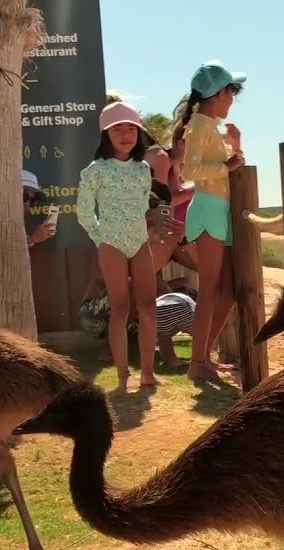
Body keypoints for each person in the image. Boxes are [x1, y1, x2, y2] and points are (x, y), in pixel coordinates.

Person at [77, 101, 161, 391]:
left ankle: (147, 373)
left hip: (139, 244)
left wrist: (143, 232)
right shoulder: (94, 171)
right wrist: (103, 239)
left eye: (131, 129)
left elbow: (141, 207)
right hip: (111, 244)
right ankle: (123, 376)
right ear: (105, 133)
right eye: (118, 129)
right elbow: (85, 213)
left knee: (148, 306)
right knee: (120, 308)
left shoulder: (142, 170)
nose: (126, 135)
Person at [176, 60, 246, 382]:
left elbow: (224, 167)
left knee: (228, 290)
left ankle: (203, 357)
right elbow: (190, 173)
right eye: (231, 93)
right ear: (219, 93)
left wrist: (236, 149)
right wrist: (227, 167)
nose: (233, 100)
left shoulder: (208, 126)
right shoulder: (200, 125)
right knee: (210, 291)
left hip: (218, 212)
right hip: (207, 211)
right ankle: (198, 363)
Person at [79, 274, 197, 367]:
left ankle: (116, 347)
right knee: (141, 288)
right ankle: (110, 348)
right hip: (94, 316)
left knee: (150, 313)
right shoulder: (156, 286)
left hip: (111, 322)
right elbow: (97, 279)